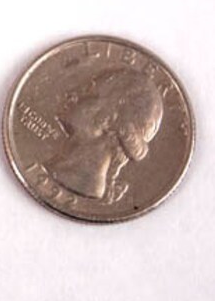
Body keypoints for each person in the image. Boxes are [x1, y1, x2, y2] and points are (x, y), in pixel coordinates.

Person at [45, 68, 164, 204]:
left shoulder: (75, 179)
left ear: (108, 120)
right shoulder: (62, 168)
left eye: (88, 94)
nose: (73, 94)